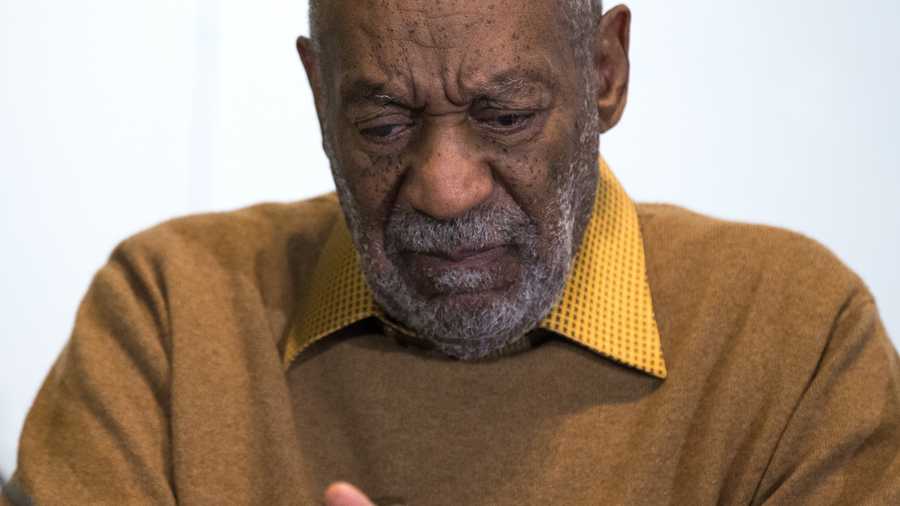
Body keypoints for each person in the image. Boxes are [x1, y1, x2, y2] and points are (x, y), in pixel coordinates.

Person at [4, 1, 899, 504]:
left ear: (605, 71)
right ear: (319, 93)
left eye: (504, 116)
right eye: (383, 125)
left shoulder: (796, 342)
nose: (445, 187)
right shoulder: (172, 313)